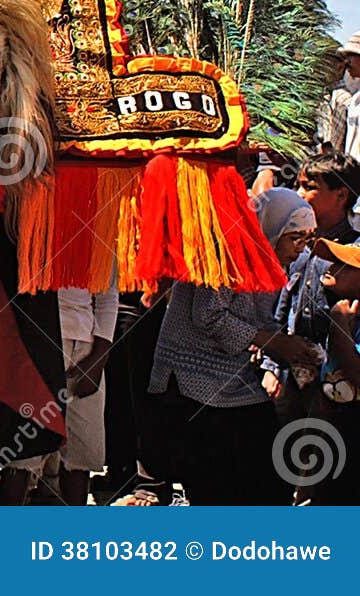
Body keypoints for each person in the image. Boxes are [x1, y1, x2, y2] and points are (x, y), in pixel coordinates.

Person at [146, 187, 323, 504]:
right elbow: (208, 315)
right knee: (218, 480)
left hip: (235, 381)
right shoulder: (225, 251)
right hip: (194, 380)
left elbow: (261, 319)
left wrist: (292, 348)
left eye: (306, 239)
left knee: (263, 477)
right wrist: (273, 342)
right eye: (295, 237)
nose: (301, 248)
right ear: (272, 226)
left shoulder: (271, 263)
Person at [1, 277, 117, 506]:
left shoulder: (102, 241)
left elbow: (108, 298)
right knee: (22, 451)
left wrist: (98, 358)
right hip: (34, 342)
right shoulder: (31, 240)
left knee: (81, 449)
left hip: (85, 349)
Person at [267, 157, 360, 417]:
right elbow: (281, 307)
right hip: (291, 374)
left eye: (309, 187)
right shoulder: (296, 248)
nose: (299, 194)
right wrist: (271, 366)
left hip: (337, 379)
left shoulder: (353, 255)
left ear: (340, 195)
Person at [308, 237, 360, 503]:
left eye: (343, 264)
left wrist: (340, 326)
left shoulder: (344, 316)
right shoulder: (344, 309)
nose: (330, 266)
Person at [317, 33, 360, 162]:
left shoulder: (343, 98)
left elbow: (336, 141)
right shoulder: (355, 99)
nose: (346, 62)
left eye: (350, 55)